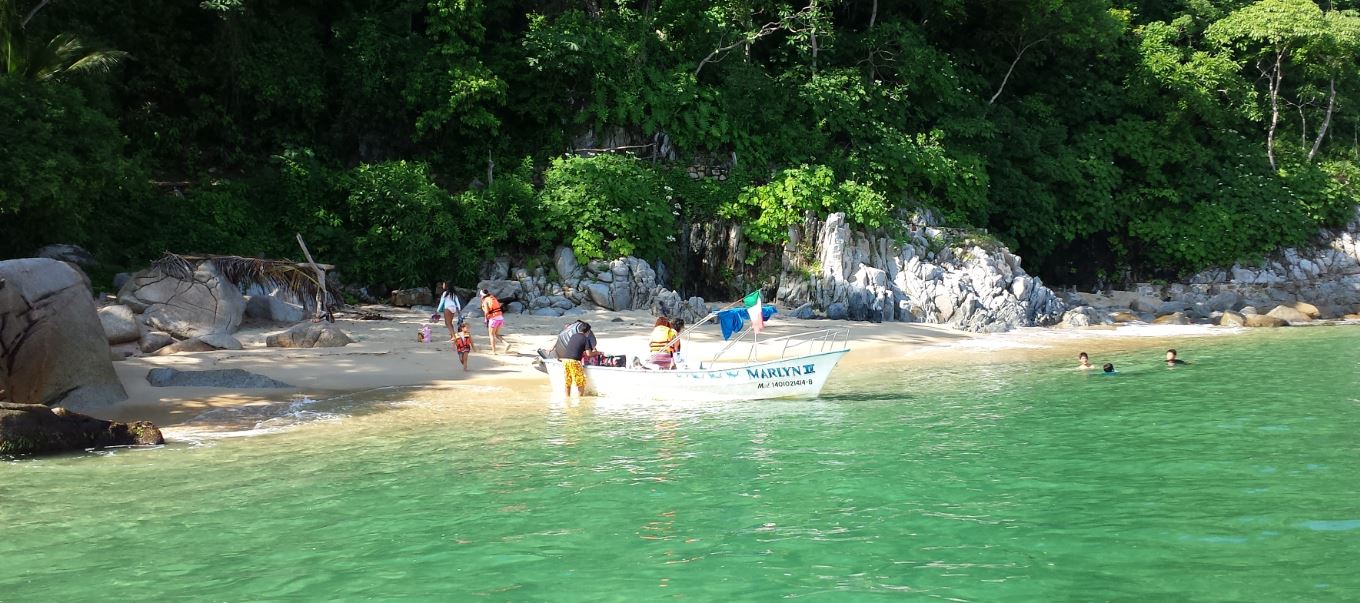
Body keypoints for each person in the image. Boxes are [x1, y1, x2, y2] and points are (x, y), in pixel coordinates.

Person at [560, 322, 595, 396]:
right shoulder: (585, 338)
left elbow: (576, 348)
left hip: (565, 360)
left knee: (568, 381)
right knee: (580, 382)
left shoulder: (573, 336)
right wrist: (598, 353)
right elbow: (589, 354)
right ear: (588, 331)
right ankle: (580, 400)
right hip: (574, 361)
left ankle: (567, 399)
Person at [480, 288, 507, 354]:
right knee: (496, 334)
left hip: (494, 319)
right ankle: (506, 344)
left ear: (482, 295)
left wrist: (486, 319)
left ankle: (493, 351)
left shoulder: (485, 301)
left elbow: (486, 311)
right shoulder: (492, 298)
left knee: (491, 335)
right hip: (500, 318)